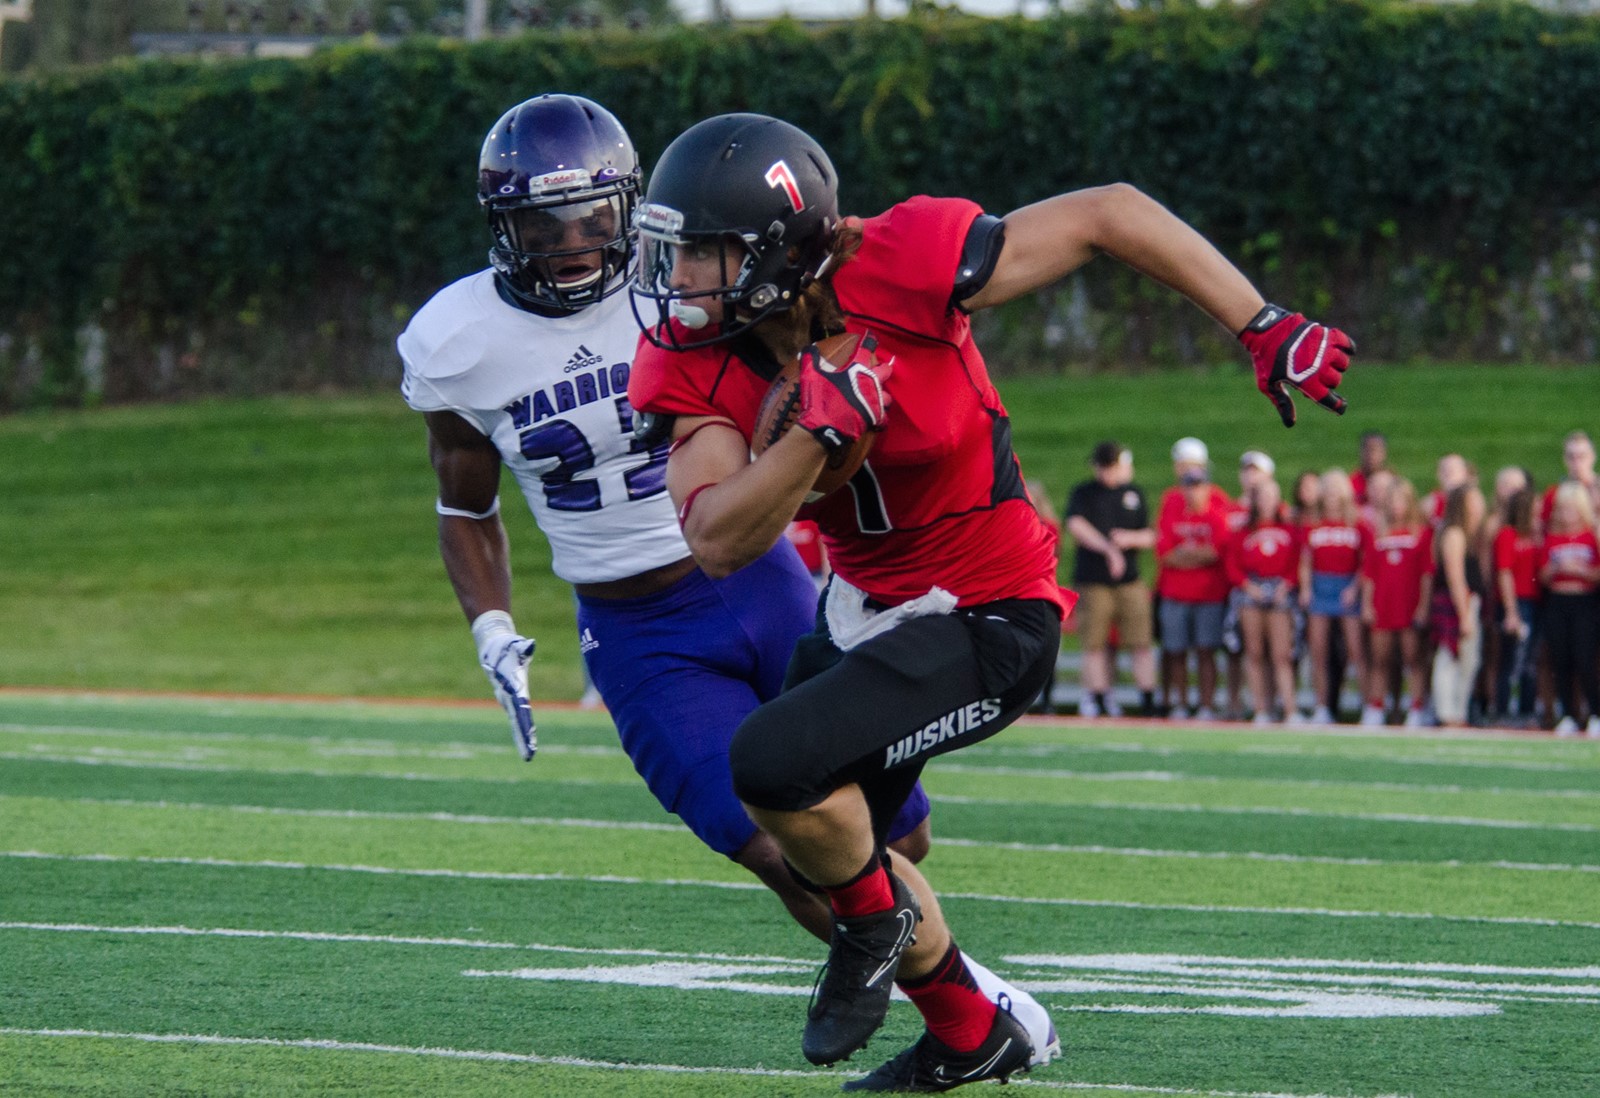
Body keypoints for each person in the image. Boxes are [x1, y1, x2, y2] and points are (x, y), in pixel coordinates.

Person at [627, 112, 1353, 1090]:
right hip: (864, 608)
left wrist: (1257, 321)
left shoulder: (902, 259)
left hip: (991, 605)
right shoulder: (695, 356)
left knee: (772, 768)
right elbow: (717, 538)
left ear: (780, 249)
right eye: (671, 253)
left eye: (705, 254)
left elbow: (1108, 212)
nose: (678, 283)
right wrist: (811, 438)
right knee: (818, 845)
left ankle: (884, 932)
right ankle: (973, 1032)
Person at [396, 94, 942, 949]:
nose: (574, 244)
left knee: (898, 830)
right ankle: (955, 1000)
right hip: (636, 626)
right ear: (503, 227)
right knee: (778, 846)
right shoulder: (455, 341)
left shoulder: (687, 287)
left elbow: (815, 360)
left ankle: (948, 993)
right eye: (545, 228)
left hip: (758, 579)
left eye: (591, 218)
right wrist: (491, 626)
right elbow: (464, 502)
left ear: (631, 207)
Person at [1064, 442, 1157, 718]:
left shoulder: (1133, 493)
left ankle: (1148, 700)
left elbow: (1151, 534)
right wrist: (1108, 549)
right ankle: (1099, 697)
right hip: (1094, 580)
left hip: (1129, 580)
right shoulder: (1084, 493)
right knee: (1094, 642)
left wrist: (1129, 540)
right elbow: (1076, 525)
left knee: (1140, 641)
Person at [1156, 438, 1236, 721]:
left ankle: (1205, 704)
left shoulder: (1218, 503)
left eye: (1198, 483)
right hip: (1175, 590)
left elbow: (1217, 551)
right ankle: (1179, 703)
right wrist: (1194, 554)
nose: (1193, 490)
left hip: (1209, 592)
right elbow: (1166, 551)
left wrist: (1186, 554)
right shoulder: (1171, 500)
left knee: (1206, 651)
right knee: (1176, 650)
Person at [1227, 477, 1304, 723]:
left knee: (1281, 654)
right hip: (1252, 589)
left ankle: (1290, 709)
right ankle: (1261, 709)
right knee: (1254, 651)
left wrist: (1287, 584)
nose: (1267, 501)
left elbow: (1297, 560)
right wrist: (1248, 587)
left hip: (1280, 588)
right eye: (1263, 496)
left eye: (1272, 496)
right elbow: (1232, 564)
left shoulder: (1289, 530)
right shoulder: (1243, 531)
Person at [1361, 478, 1433, 726]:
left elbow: (1426, 573)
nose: (1396, 506)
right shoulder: (1377, 533)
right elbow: (1369, 573)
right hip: (1383, 603)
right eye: (1391, 501)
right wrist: (1367, 604)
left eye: (1401, 500)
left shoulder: (1421, 533)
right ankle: (1376, 706)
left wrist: (1423, 606)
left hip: (1409, 603)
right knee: (1380, 658)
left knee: (1413, 657)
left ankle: (1416, 708)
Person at [1300, 468, 1367, 724]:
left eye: (1336, 489)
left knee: (1355, 649)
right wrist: (1306, 589)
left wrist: (1355, 587)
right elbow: (1306, 560)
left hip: (1347, 586)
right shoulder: (1313, 522)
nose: (1331, 494)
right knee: (1318, 650)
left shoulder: (1356, 522)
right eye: (1327, 489)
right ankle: (1321, 706)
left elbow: (1364, 560)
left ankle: (1368, 705)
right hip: (1320, 585)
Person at [1539, 482, 1600, 735]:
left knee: (1585, 659)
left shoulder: (1591, 536)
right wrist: (1555, 569)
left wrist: (1581, 571)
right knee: (1561, 659)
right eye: (1563, 509)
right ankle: (1568, 714)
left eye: (1572, 509)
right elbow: (1541, 575)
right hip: (1558, 601)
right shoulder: (1552, 537)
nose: (1567, 515)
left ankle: (1595, 712)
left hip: (1584, 601)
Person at [1222, 450, 1277, 718]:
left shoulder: (1278, 513)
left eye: (1256, 471)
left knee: (1269, 649)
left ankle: (1268, 703)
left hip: (1267, 590)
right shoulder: (1230, 510)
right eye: (1247, 470)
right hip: (1231, 587)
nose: (1250, 476)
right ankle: (1234, 703)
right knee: (1234, 649)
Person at [1429, 483, 1488, 727]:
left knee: (1468, 660)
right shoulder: (1454, 533)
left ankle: (1459, 710)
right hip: (1457, 602)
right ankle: (1447, 711)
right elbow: (1455, 576)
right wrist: (1464, 615)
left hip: (1468, 601)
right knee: (1450, 656)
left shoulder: (1471, 533)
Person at [1492, 485, 1542, 726]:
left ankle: (1527, 711)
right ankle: (1503, 711)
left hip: (1535, 602)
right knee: (1511, 659)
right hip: (1516, 603)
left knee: (1530, 661)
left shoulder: (1534, 535)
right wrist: (1511, 611)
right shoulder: (1508, 535)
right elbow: (1504, 572)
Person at [1541, 431, 1600, 529]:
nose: (1576, 463)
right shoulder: (1553, 495)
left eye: (1582, 456)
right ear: (1564, 459)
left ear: (1592, 457)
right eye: (1571, 457)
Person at [1350, 430, 1388, 506]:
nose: (1371, 455)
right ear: (1361, 452)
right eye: (1367, 450)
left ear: (1384, 453)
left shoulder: (1392, 482)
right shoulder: (1351, 484)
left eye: (1376, 450)